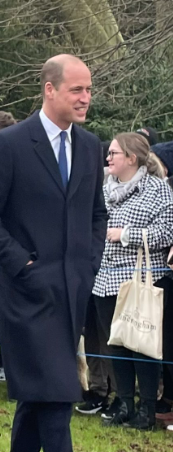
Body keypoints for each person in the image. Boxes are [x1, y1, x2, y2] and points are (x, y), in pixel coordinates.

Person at [0, 54, 107, 452]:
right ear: (49, 90)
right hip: (27, 295)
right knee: (58, 394)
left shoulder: (89, 145)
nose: (85, 98)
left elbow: (96, 213)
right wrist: (23, 266)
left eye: (89, 90)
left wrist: (88, 261)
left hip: (72, 293)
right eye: (76, 90)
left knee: (38, 399)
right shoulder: (11, 144)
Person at [90, 133, 173, 430]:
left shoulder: (158, 191)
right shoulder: (101, 188)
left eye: (114, 153)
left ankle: (147, 408)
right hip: (103, 278)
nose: (108, 158)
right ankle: (124, 402)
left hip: (141, 280)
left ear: (132, 158)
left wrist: (126, 234)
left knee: (142, 345)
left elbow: (167, 233)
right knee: (117, 344)